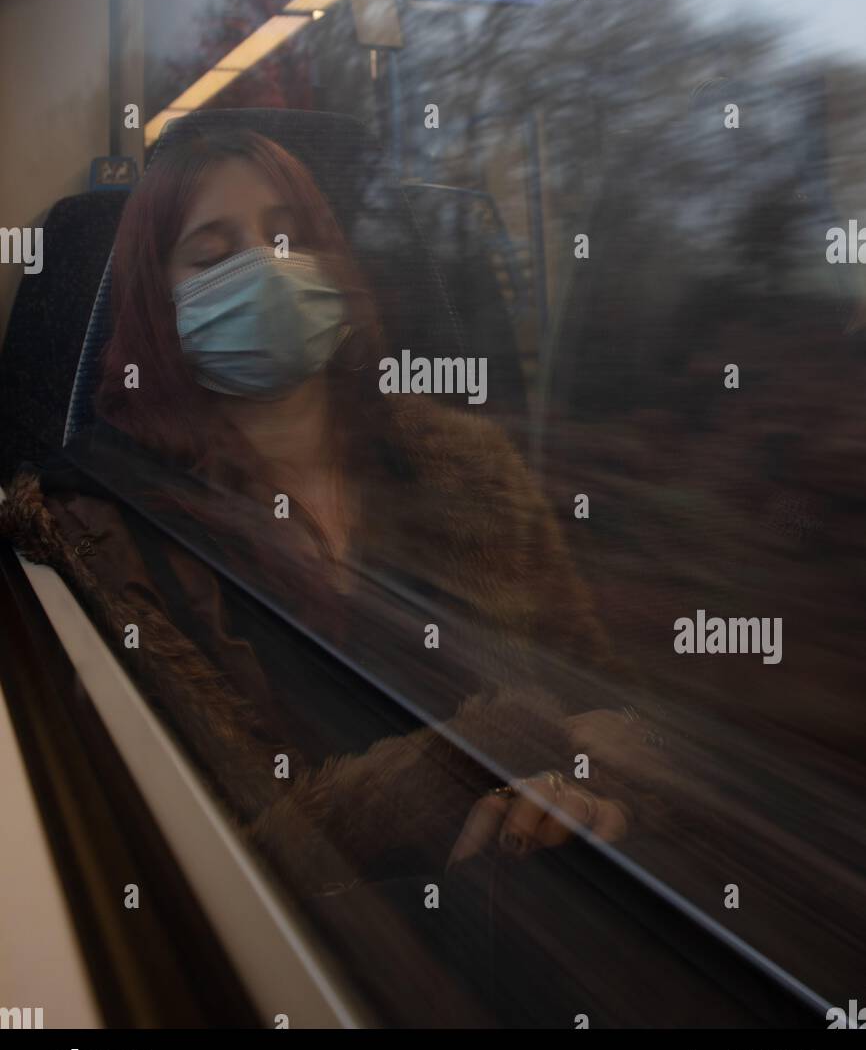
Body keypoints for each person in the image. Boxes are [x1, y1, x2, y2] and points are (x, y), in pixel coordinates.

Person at [1, 127, 676, 906]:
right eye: (214, 256)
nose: (267, 269)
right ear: (158, 305)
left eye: (287, 236)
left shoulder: (470, 468)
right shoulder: (108, 532)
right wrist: (503, 746)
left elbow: (613, 708)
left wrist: (592, 797)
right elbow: (231, 855)